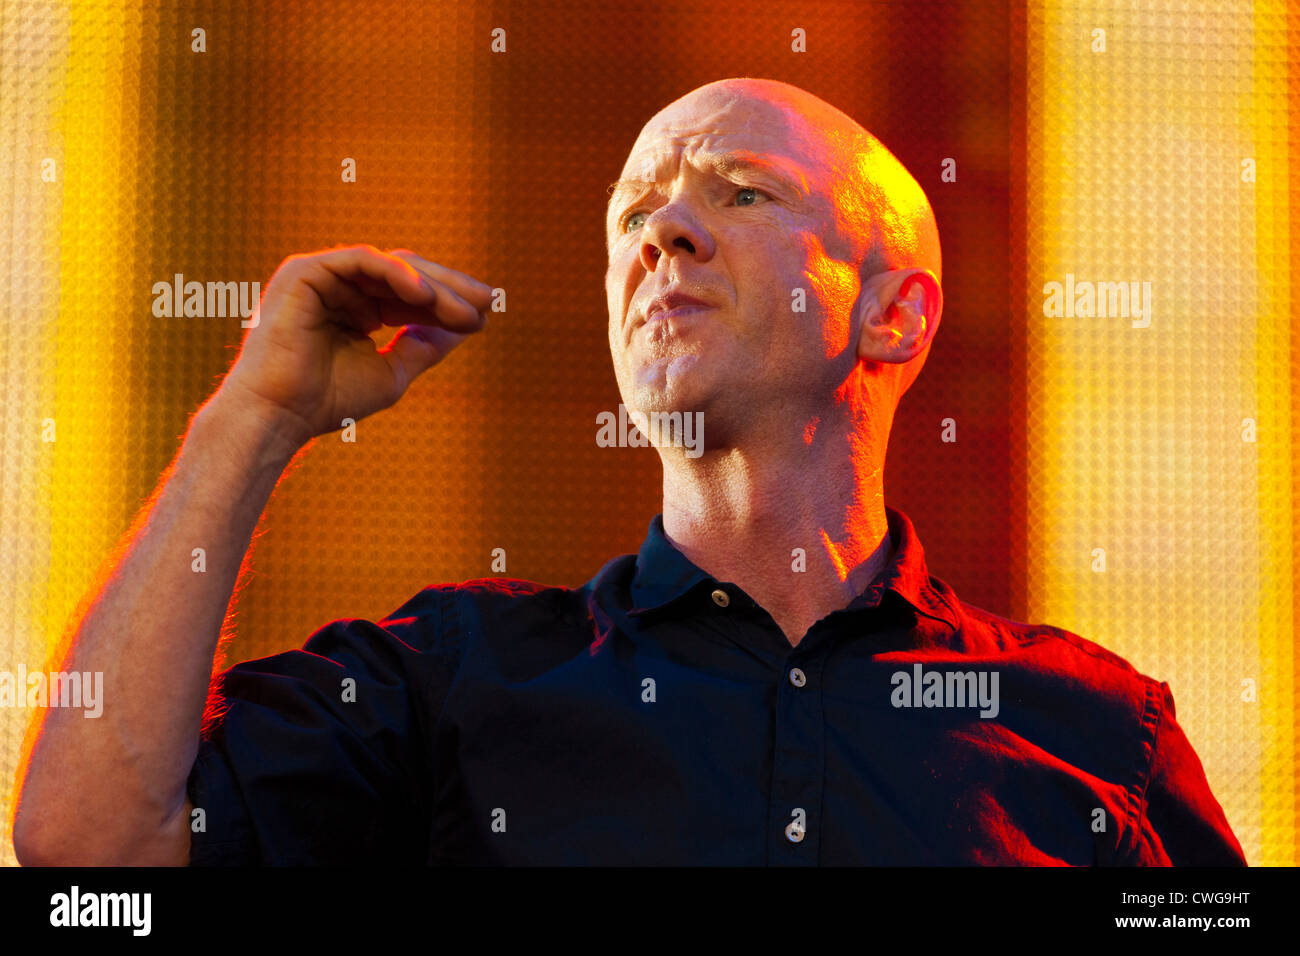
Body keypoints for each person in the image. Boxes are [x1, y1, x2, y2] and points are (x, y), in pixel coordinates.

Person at [13, 77, 1245, 866]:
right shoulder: (445, 685)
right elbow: (87, 854)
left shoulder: (1095, 732)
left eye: (742, 192)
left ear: (893, 317)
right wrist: (255, 416)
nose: (663, 231)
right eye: (634, 214)